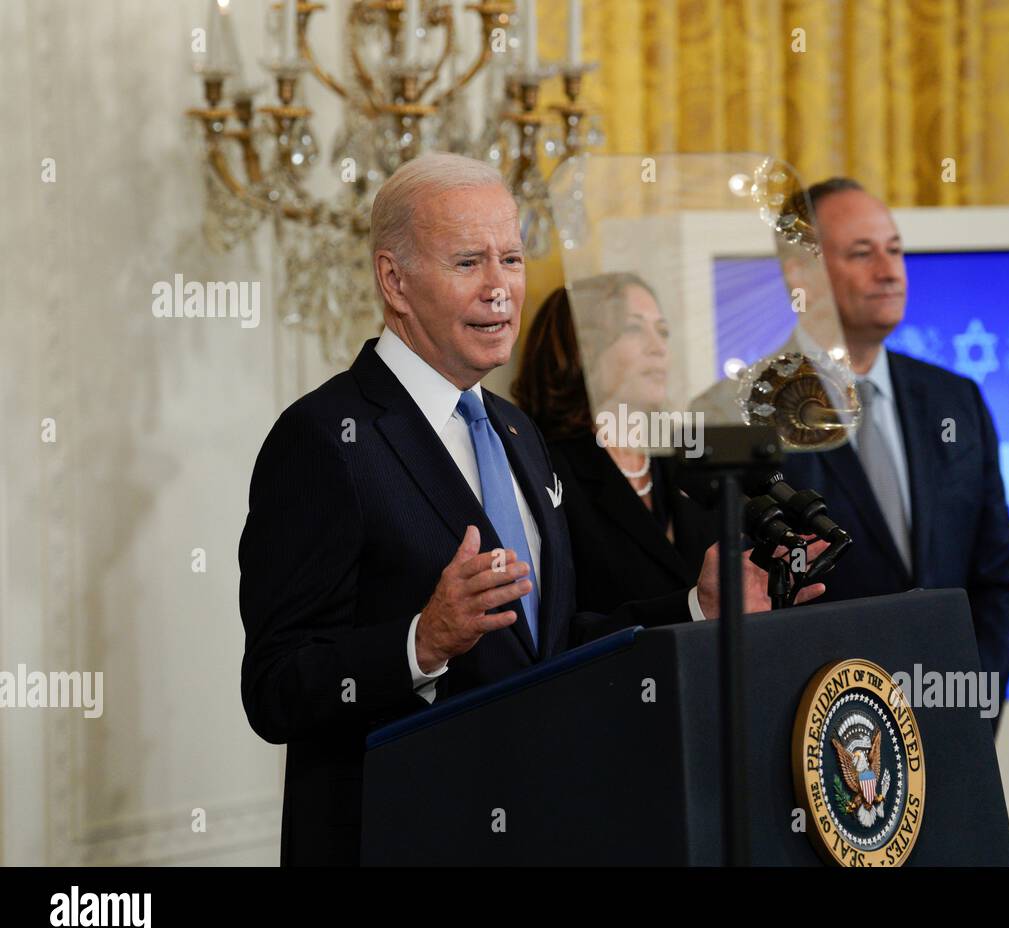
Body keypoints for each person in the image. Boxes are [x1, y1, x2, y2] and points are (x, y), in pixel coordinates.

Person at [238, 152, 824, 866]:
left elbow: (553, 645)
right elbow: (274, 688)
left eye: (511, 258)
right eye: (467, 263)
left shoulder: (518, 432)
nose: (500, 289)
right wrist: (421, 642)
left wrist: (696, 607)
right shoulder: (326, 437)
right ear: (394, 280)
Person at [775, 177, 1009, 728]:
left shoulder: (955, 400)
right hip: (819, 757)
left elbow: (996, 581)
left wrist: (970, 721)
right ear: (801, 273)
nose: (890, 272)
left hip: (952, 738)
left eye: (894, 250)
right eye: (862, 254)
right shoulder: (746, 414)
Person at [513, 276, 715, 614]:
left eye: (663, 331)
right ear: (581, 346)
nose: (658, 346)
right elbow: (561, 630)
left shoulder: (689, 458)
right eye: (635, 330)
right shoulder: (544, 469)